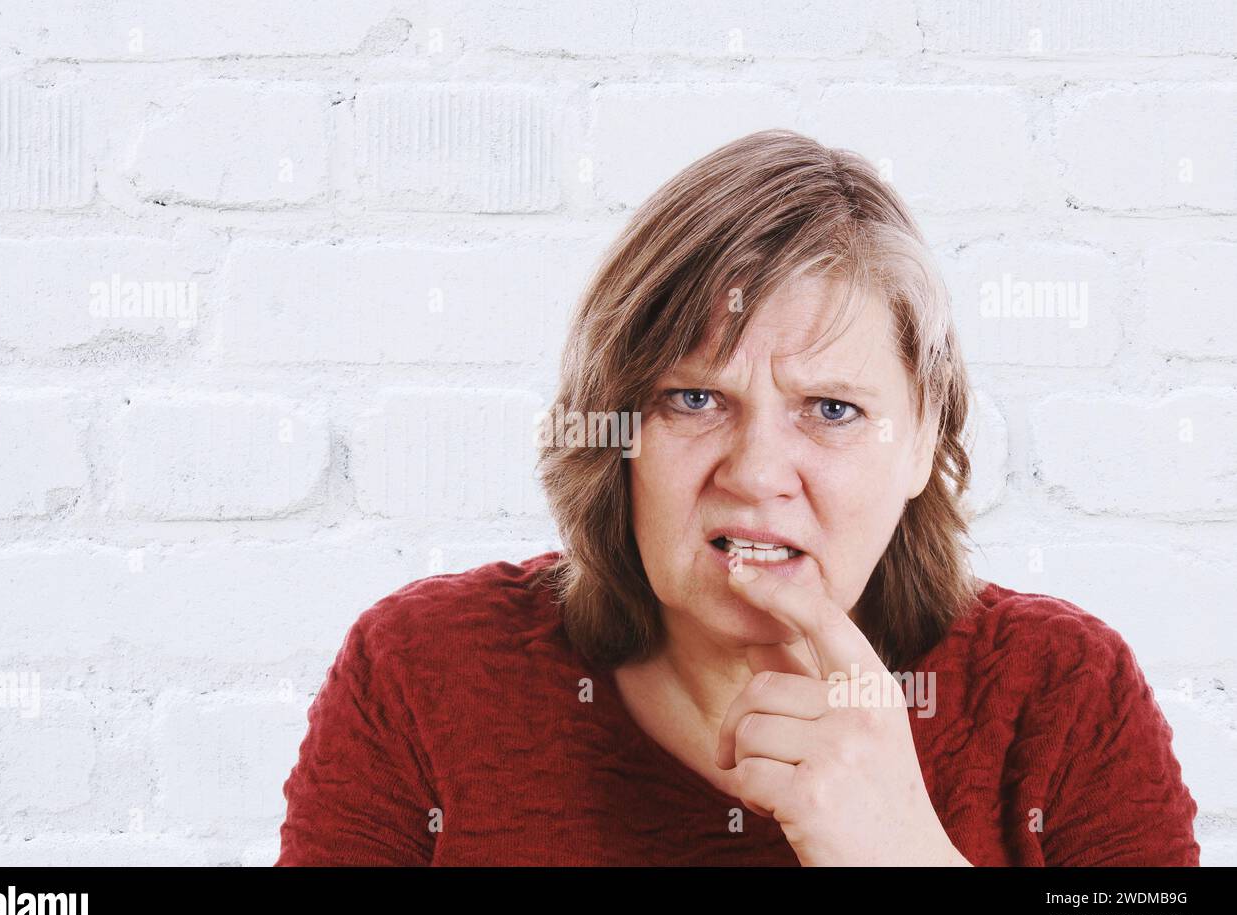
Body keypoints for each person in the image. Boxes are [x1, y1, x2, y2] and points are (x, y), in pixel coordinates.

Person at [275, 130, 1200, 866]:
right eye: (694, 400)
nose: (757, 473)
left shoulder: (1063, 693)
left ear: (924, 441)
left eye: (832, 410)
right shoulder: (420, 673)